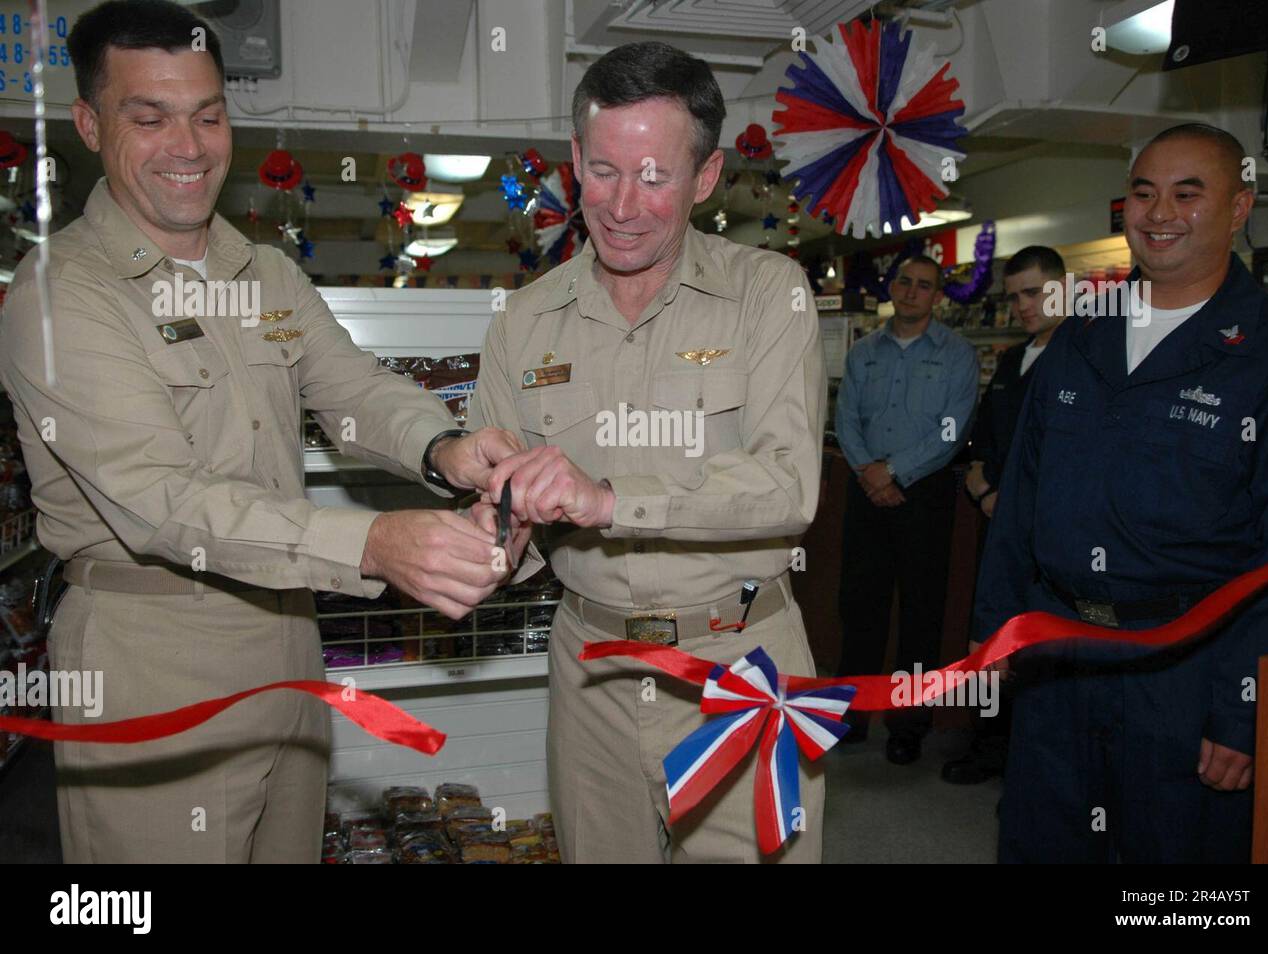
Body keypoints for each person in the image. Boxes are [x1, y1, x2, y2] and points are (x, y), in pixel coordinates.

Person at [0, 0, 531, 863]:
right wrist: (375, 543)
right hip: (152, 659)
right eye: (152, 117)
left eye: (208, 115)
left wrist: (445, 448)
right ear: (91, 125)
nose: (190, 145)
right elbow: (161, 501)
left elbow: (350, 386)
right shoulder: (62, 294)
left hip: (287, 642)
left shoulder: (263, 271)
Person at [466, 41, 826, 863]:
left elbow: (786, 487)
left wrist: (607, 498)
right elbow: (504, 511)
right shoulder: (522, 321)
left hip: (740, 665)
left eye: (656, 177)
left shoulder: (770, 295)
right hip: (589, 665)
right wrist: (492, 537)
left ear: (705, 177)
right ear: (575, 164)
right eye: (602, 171)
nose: (623, 205)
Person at [973, 122, 1268, 863]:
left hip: (1189, 669)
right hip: (1059, 655)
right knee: (1042, 843)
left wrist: (1249, 707)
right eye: (1144, 193)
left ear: (1240, 206)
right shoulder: (1080, 337)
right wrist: (992, 627)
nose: (1159, 214)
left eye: (1189, 194)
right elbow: (1021, 497)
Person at [833, 256, 979, 763]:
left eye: (925, 285)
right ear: (892, 286)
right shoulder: (863, 352)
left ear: (937, 295)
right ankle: (849, 716)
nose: (913, 291)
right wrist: (869, 472)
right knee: (860, 608)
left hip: (925, 495)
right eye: (905, 282)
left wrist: (892, 472)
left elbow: (953, 429)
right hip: (865, 492)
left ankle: (907, 726)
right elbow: (845, 417)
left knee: (921, 616)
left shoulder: (958, 354)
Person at [944, 245, 1066, 785]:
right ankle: (988, 746)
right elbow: (987, 440)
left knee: (1040, 652)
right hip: (1000, 526)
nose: (1022, 305)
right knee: (992, 638)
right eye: (1014, 295)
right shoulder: (1015, 360)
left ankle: (1027, 765)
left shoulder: (1085, 356)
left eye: (1033, 292)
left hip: (1052, 537)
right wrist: (979, 479)